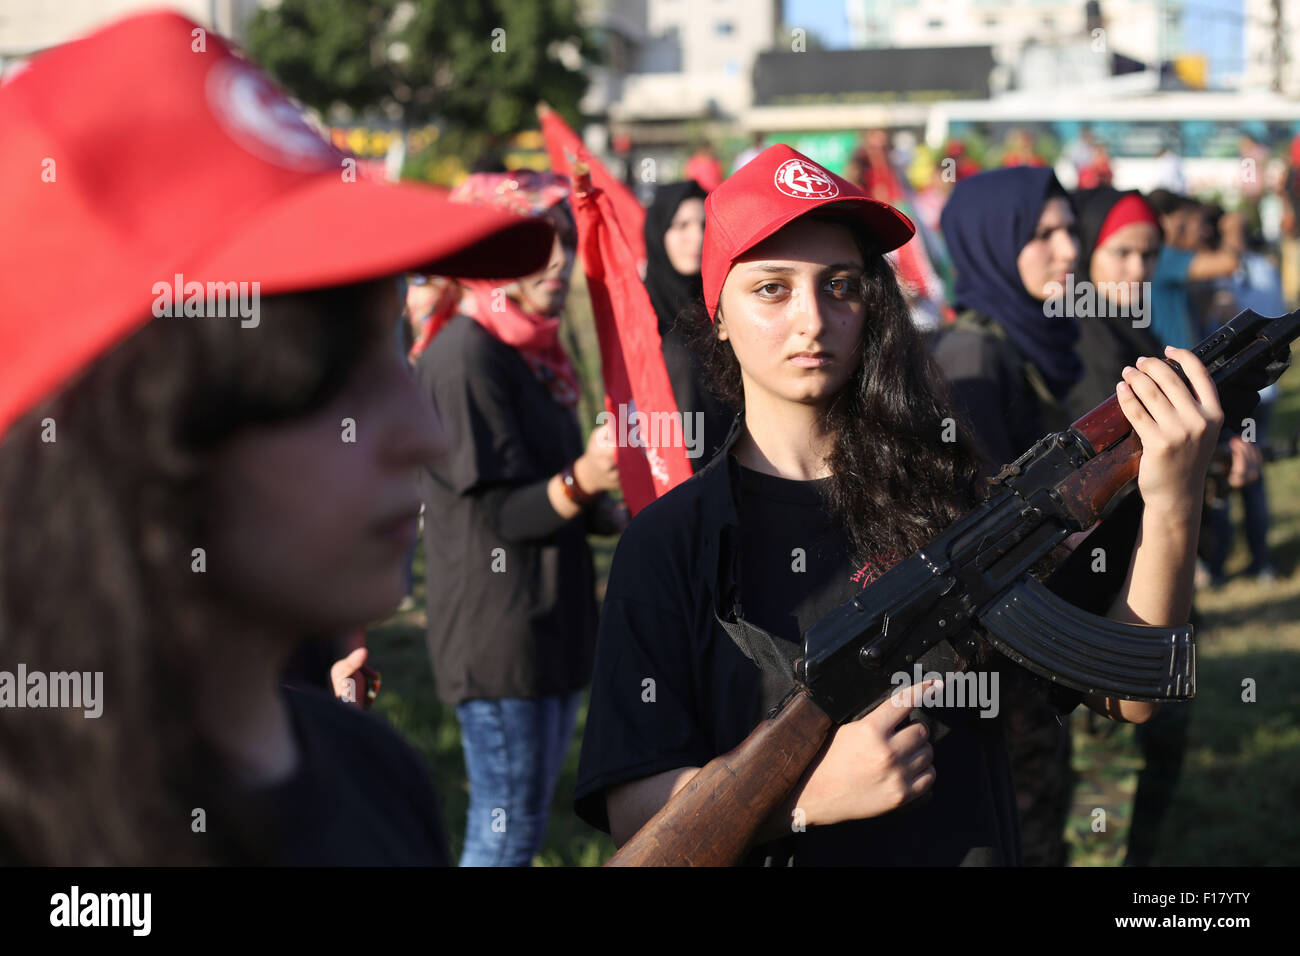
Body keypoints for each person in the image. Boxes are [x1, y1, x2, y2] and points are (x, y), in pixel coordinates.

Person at [0, 11, 559, 865]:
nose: (423, 433)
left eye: (391, 352)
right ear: (119, 429)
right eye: (328, 376)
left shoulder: (379, 776)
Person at [574, 145, 1226, 866]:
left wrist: (1172, 500)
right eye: (770, 289)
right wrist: (808, 800)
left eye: (841, 286)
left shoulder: (950, 493)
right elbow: (640, 823)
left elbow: (1128, 694)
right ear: (717, 314)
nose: (811, 319)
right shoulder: (671, 544)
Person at [415, 170, 621, 867]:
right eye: (540, 242)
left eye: (565, 240)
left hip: (549, 628)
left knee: (524, 828)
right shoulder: (465, 357)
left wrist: (630, 504)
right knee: (504, 837)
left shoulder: (533, 351)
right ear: (485, 255)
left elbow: (562, 497)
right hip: (500, 636)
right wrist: (586, 476)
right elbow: (503, 514)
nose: (560, 260)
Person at [643, 180, 735, 470]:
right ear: (659, 232)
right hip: (673, 476)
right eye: (681, 225)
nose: (696, 238)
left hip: (734, 469)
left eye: (703, 225)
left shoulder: (726, 300)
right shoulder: (644, 313)